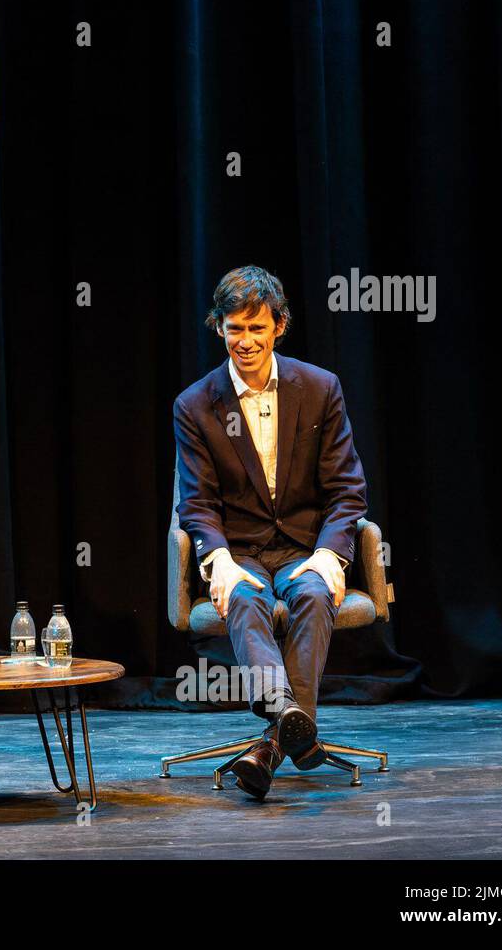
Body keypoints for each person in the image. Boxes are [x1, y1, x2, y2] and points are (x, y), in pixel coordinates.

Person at [173, 266, 368, 800]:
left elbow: (347, 489)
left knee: (311, 592)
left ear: (279, 326)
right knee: (242, 596)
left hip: (305, 545)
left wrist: (331, 554)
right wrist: (218, 559)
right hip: (241, 550)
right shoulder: (195, 405)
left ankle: (272, 740)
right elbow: (197, 503)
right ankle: (288, 720)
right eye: (235, 329)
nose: (246, 342)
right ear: (219, 328)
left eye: (257, 328)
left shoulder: (320, 388)